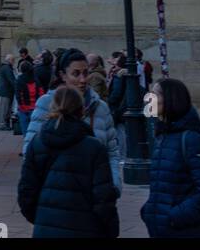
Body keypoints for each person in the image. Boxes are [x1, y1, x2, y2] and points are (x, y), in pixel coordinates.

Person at [18, 85, 119, 239]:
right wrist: (110, 230)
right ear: (81, 111)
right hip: (86, 227)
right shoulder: (94, 147)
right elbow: (103, 198)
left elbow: (26, 191)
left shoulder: (37, 143)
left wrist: (40, 218)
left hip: (46, 227)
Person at [23, 48, 121, 193]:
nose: (82, 80)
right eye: (76, 74)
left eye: (85, 73)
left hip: (93, 194)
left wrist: (113, 186)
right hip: (56, 193)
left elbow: (112, 152)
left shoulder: (100, 108)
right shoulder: (46, 103)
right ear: (63, 75)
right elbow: (30, 151)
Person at [141, 78, 200, 239]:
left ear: (171, 100)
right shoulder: (162, 136)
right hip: (161, 229)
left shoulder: (190, 139)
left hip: (183, 230)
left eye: (155, 94)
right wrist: (149, 211)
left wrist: (175, 216)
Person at [15, 60, 45, 137]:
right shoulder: (35, 79)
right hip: (34, 107)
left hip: (23, 108)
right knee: (35, 131)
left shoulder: (20, 79)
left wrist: (22, 106)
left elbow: (19, 95)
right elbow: (41, 93)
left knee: (25, 131)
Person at [0, 53, 16, 130]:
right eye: (12, 60)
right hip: (5, 91)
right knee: (4, 109)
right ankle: (2, 124)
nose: (13, 61)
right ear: (9, 60)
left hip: (6, 91)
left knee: (6, 109)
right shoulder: (7, 68)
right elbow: (11, 80)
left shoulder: (6, 67)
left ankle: (5, 124)